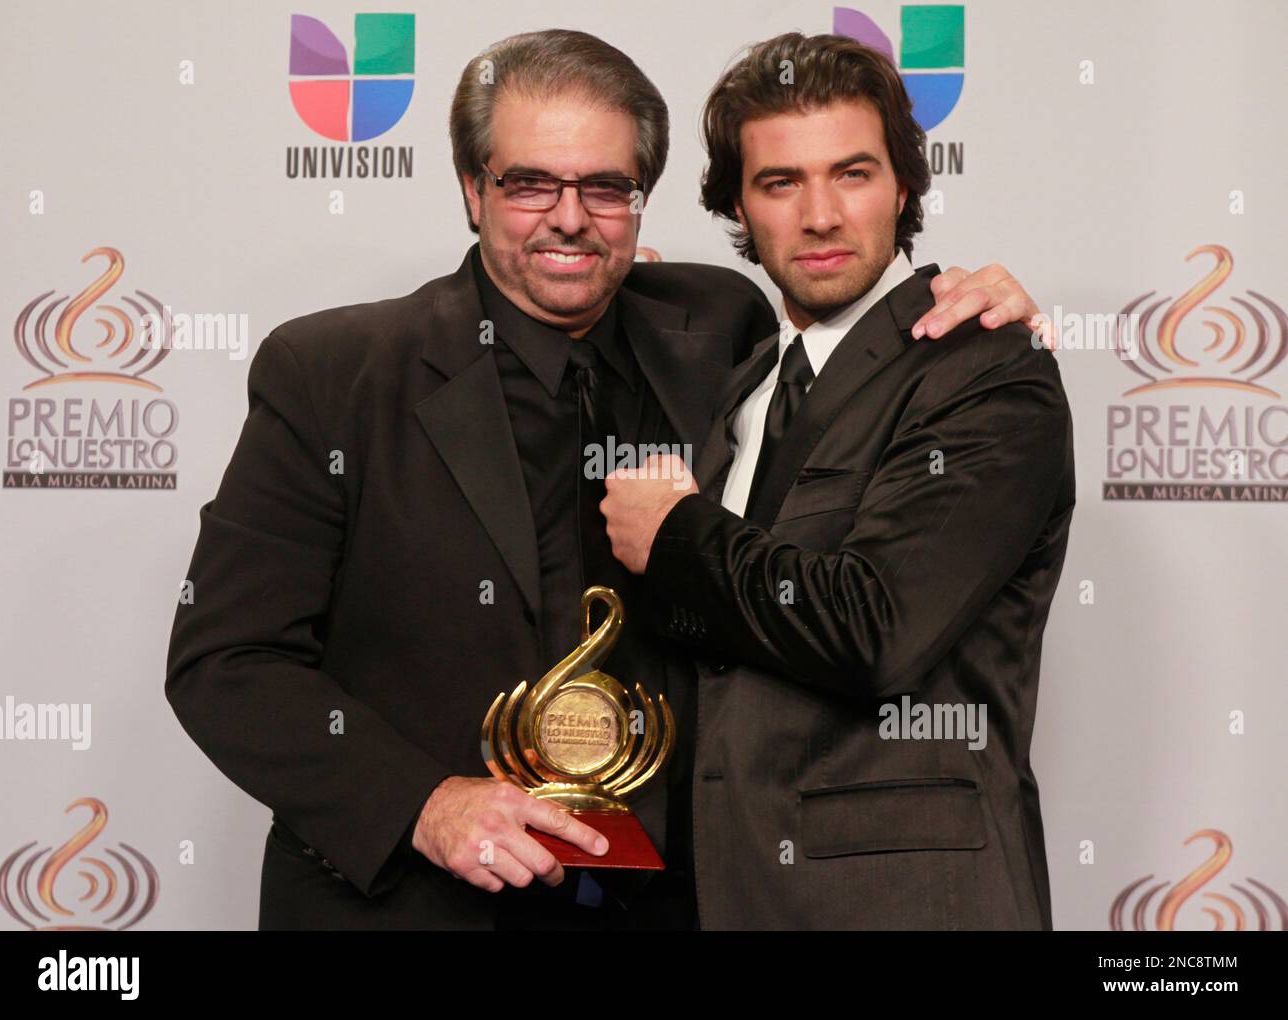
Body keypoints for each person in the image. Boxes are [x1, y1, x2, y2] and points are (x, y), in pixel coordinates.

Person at [165, 28, 1044, 930]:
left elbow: (855, 334)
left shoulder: (720, 330)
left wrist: (982, 306)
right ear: (473, 189)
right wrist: (425, 807)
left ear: (642, 200)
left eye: (605, 188)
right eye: (530, 183)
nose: (570, 218)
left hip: (675, 905)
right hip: (414, 904)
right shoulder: (334, 372)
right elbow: (226, 661)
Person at [601, 33, 1075, 929]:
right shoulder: (746, 383)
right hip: (722, 892)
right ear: (737, 204)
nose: (819, 215)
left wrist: (673, 534)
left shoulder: (984, 370)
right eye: (780, 183)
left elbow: (875, 629)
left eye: (852, 174)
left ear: (904, 186)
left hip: (906, 903)